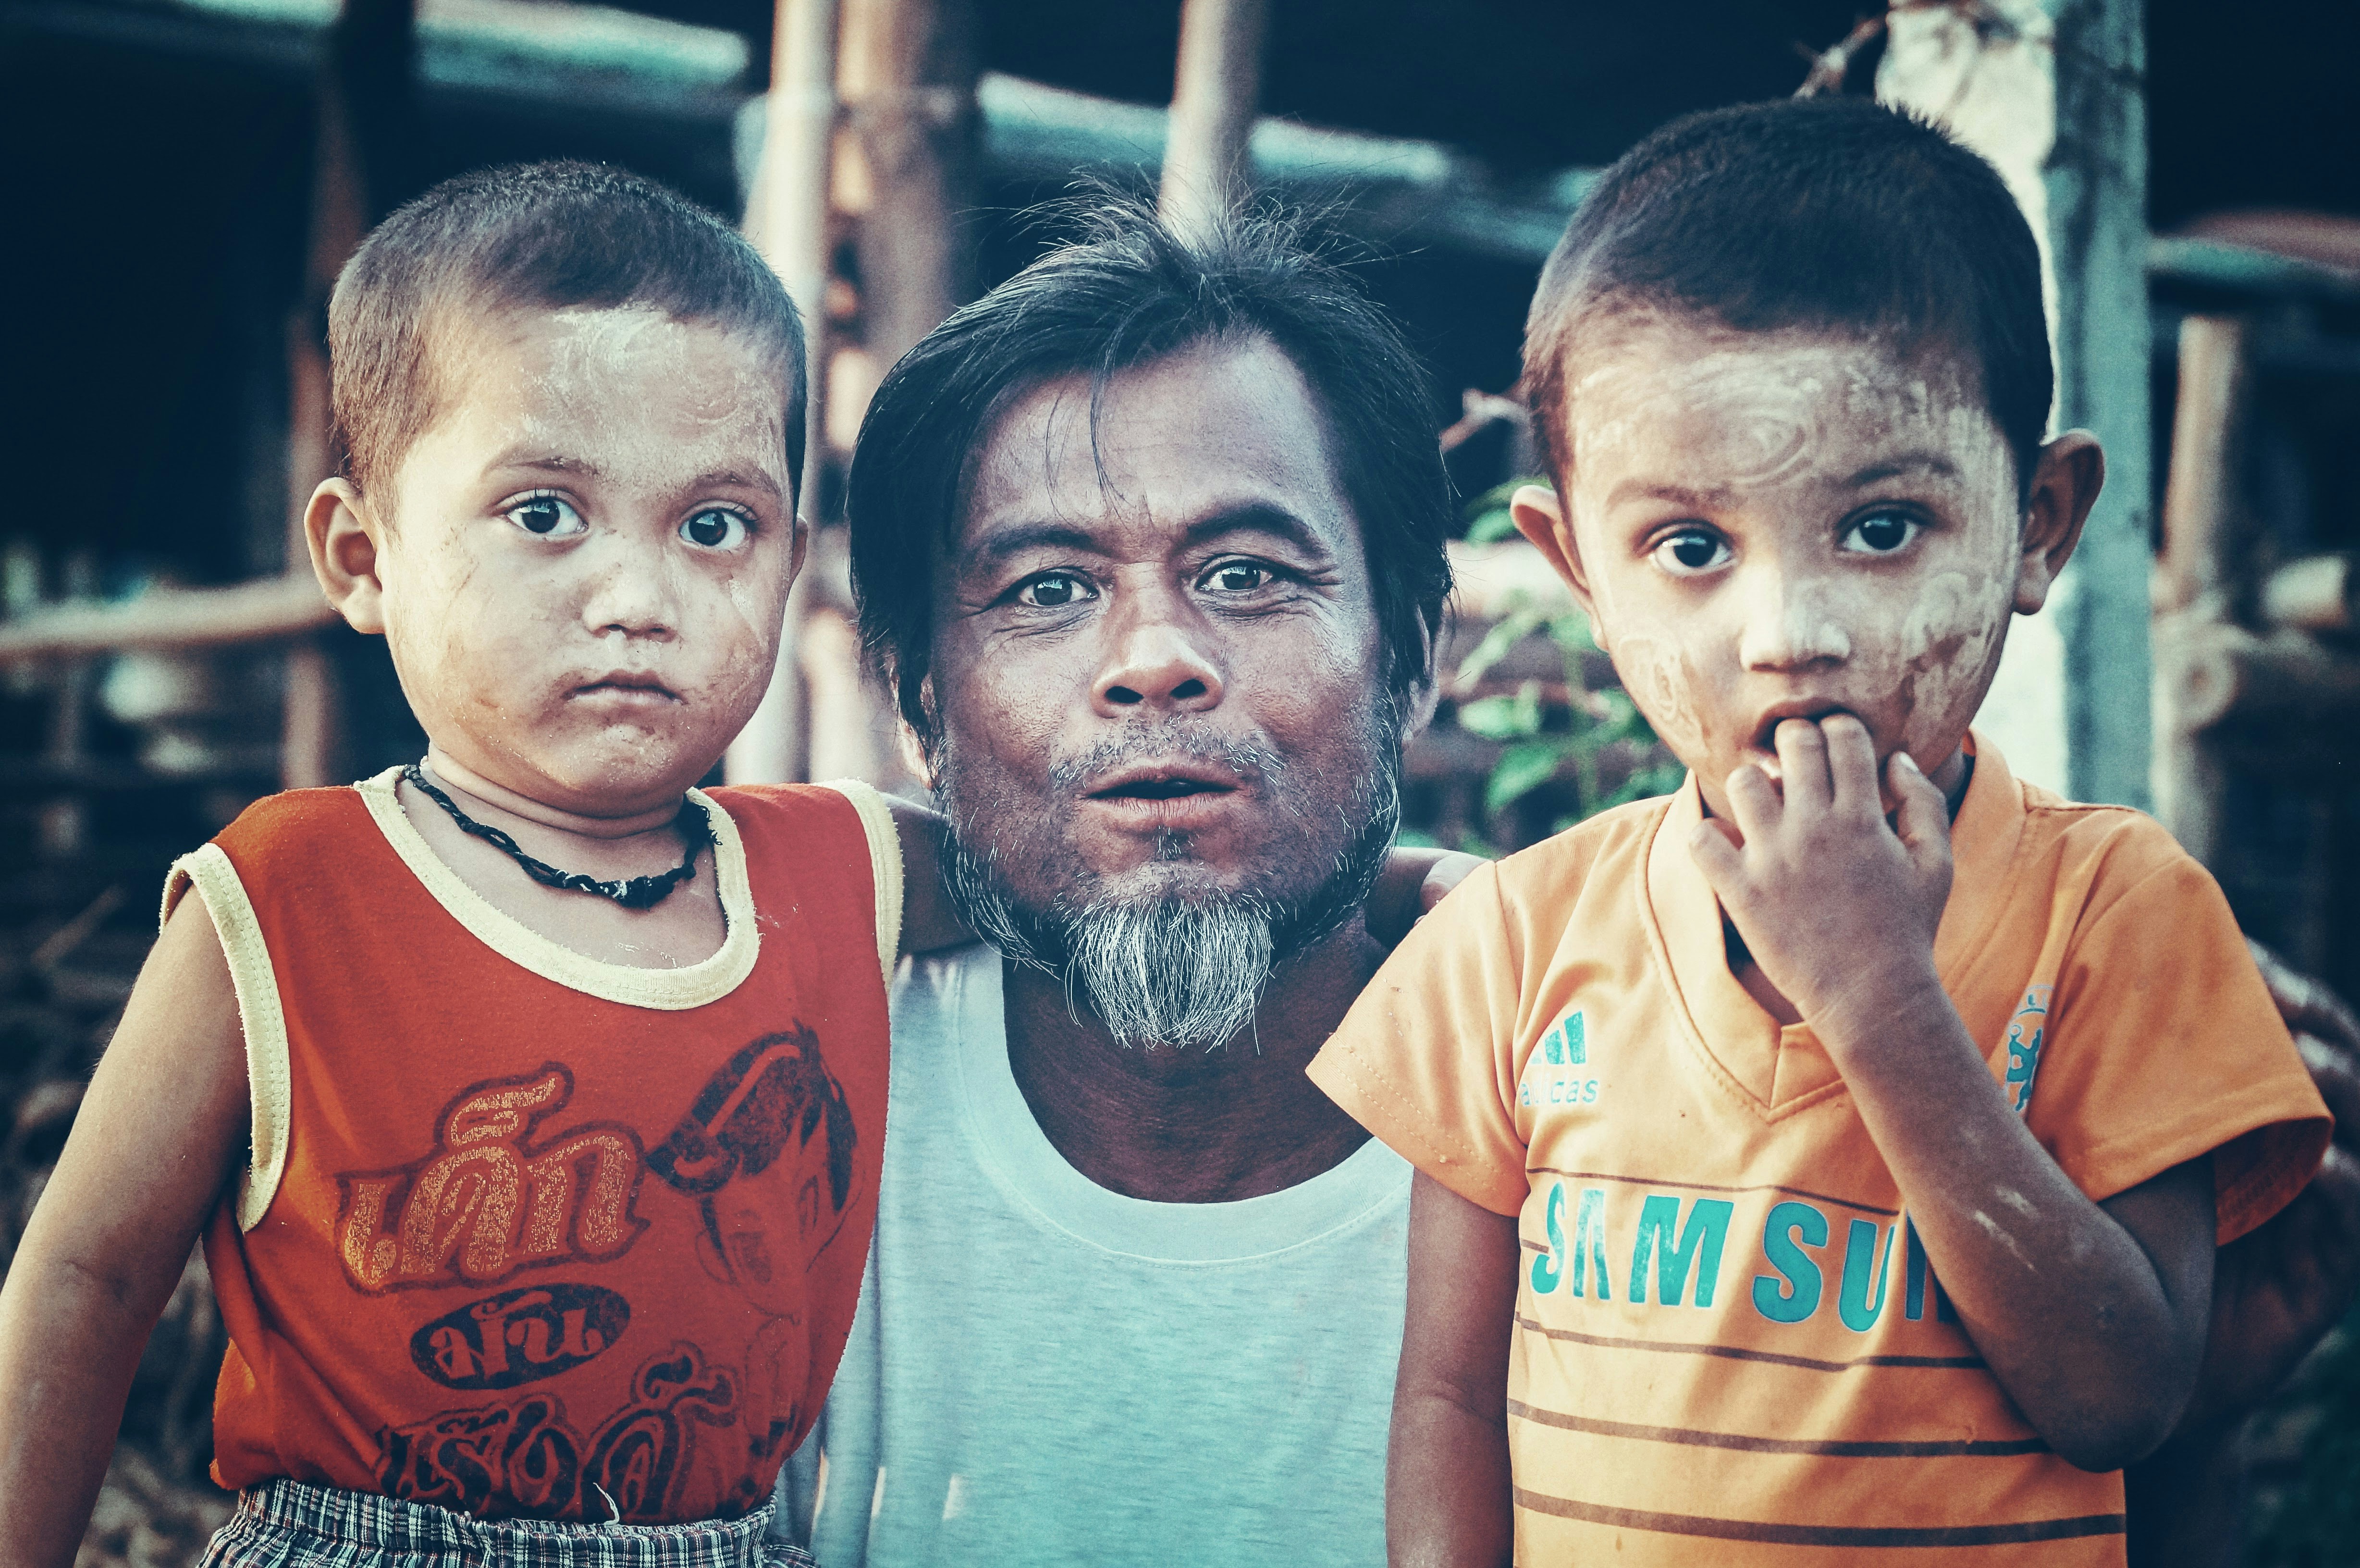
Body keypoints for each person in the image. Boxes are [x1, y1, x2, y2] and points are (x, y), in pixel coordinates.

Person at [1306, 98, 2336, 1565]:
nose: (1790, 635)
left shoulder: (2116, 910)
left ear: (2039, 525)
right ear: (1578, 568)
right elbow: (1453, 1399)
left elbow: (2125, 1400)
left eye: (1880, 528)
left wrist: (1882, 1001)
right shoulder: (1515, 942)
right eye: (1689, 549)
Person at [0, 161, 966, 1566]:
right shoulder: (287, 897)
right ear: (360, 554)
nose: (637, 599)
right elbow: (86, 1280)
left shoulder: (841, 870)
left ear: (789, 560)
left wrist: (1404, 895)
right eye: (542, 514)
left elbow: (1097, 879)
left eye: (714, 527)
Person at [774, 202, 1457, 1567]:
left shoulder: (1598, 1141)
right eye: (1043, 589)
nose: (1154, 658)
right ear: (919, 703)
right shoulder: (774, 1119)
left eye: (1249, 574)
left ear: (1410, 660)